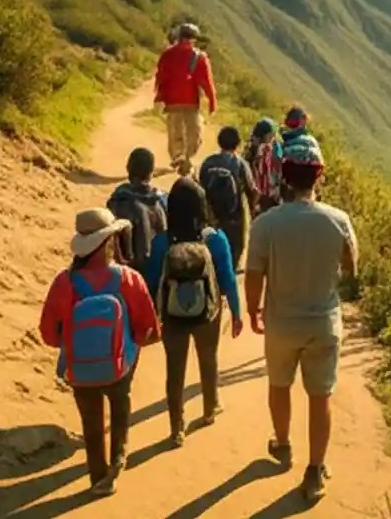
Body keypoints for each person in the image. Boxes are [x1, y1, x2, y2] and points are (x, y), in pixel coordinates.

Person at [245, 140, 357, 503]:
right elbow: (351, 269)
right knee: (320, 396)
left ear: (285, 176)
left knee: (279, 385)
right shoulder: (338, 220)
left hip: (282, 323)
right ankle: (315, 470)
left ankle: (282, 444)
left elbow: (254, 275)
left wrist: (252, 310)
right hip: (324, 323)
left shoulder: (265, 224)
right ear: (319, 174)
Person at [39, 208, 160, 497]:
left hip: (80, 368)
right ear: (108, 242)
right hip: (120, 363)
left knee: (91, 422)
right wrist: (133, 343)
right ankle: (119, 457)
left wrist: (71, 345)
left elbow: (48, 333)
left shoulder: (64, 282)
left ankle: (98, 478)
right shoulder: (128, 278)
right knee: (120, 404)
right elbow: (147, 327)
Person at [145, 177, 245, 447]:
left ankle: (176, 428)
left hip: (172, 315)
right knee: (208, 358)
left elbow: (152, 281)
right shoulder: (216, 239)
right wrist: (236, 313)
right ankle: (210, 408)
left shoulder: (161, 242)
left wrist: (151, 315)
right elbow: (228, 279)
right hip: (208, 312)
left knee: (174, 369)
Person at [154, 23, 217, 176]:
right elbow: (207, 82)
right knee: (193, 135)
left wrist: (159, 97)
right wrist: (212, 102)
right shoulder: (199, 58)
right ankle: (184, 159)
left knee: (178, 134)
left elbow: (160, 78)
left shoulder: (168, 55)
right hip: (188, 104)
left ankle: (180, 158)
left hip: (176, 103)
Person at [198, 126, 261, 272]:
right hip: (234, 215)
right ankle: (230, 273)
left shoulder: (208, 162)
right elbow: (252, 190)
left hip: (212, 214)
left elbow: (201, 186)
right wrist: (253, 208)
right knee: (234, 249)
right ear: (238, 144)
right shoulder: (240, 164)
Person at [106, 148, 168, 274]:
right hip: (153, 272)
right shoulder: (159, 203)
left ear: (128, 169)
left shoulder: (118, 199)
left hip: (122, 271)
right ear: (151, 173)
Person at [245, 118, 284, 214]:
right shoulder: (271, 149)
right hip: (267, 195)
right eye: (270, 136)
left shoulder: (251, 150)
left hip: (257, 195)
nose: (272, 138)